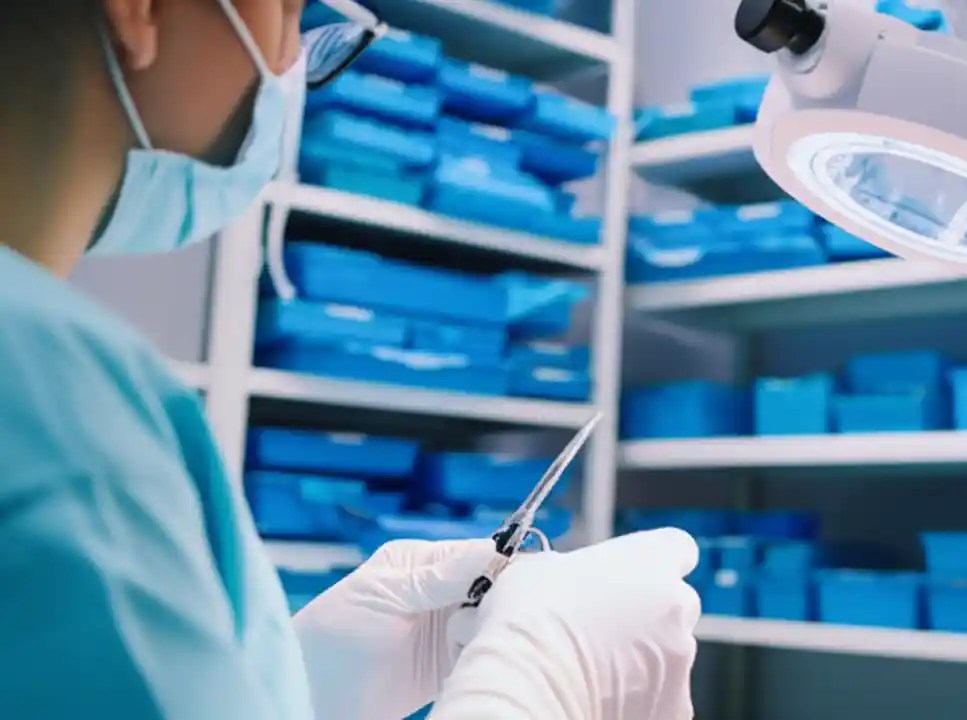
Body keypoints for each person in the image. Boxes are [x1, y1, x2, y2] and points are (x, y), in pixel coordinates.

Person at [0, 2, 701, 718]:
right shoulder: (52, 408)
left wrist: (300, 684)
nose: (289, 64)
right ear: (140, 9)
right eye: (289, 11)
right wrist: (542, 677)